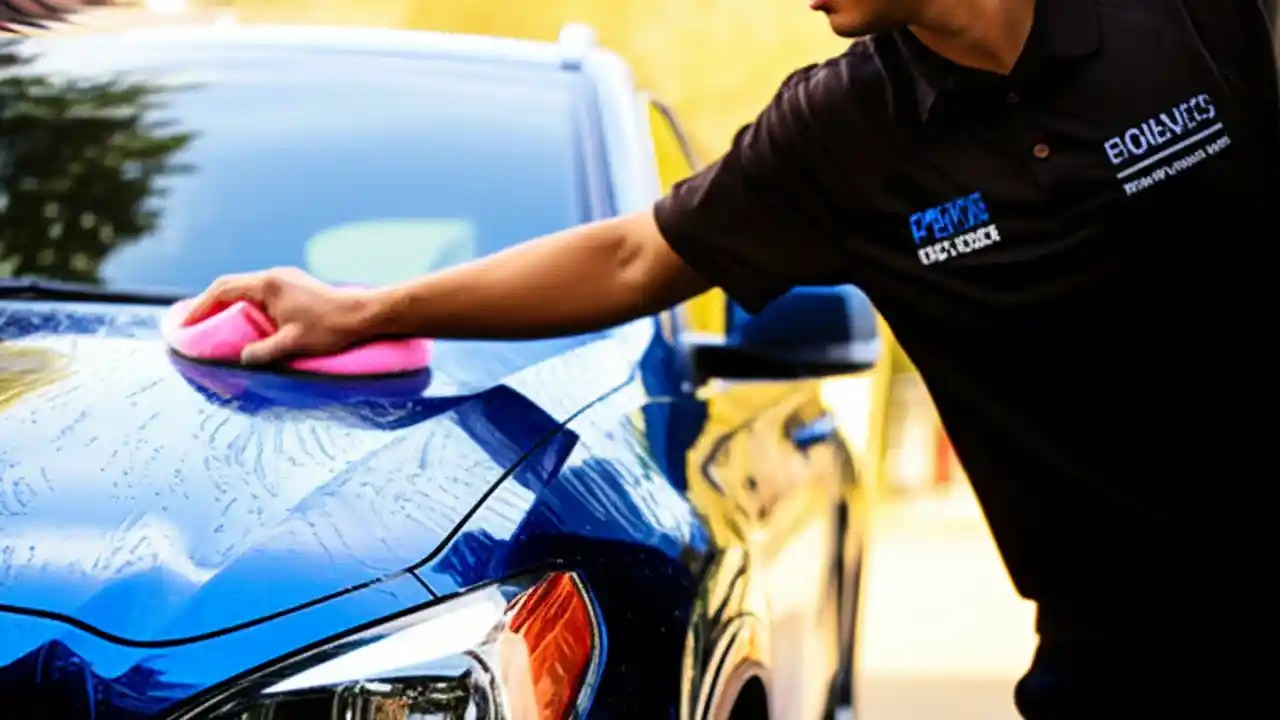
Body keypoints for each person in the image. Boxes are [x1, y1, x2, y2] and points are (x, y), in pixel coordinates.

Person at [184, 0, 1277, 716]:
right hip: (1115, 651)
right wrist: (362, 309)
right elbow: (631, 256)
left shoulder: (1200, 17)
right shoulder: (840, 133)